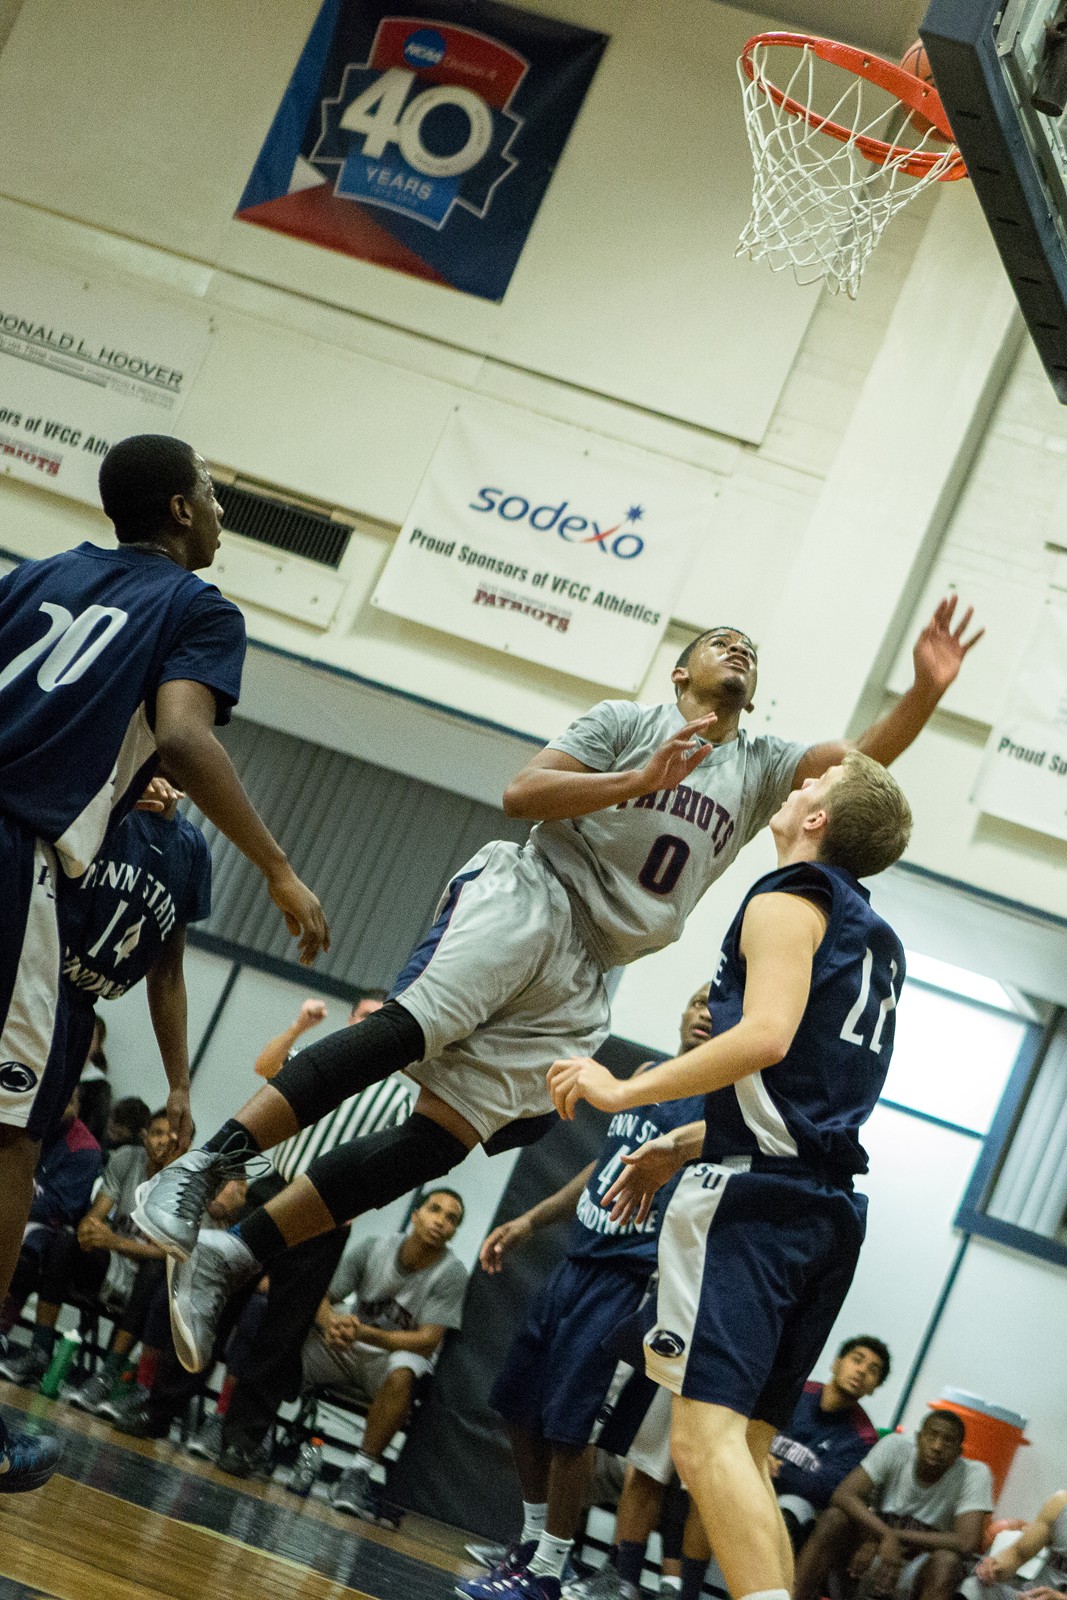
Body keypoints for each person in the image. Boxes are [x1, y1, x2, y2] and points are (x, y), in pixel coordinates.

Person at [132, 605, 979, 1379]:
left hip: (595, 961)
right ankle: (204, 1170)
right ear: (678, 674)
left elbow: (860, 768)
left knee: (441, 1141)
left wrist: (926, 694)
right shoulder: (622, 722)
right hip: (534, 892)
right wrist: (632, 781)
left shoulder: (758, 767)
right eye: (721, 641)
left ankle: (235, 1253)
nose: (740, 649)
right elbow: (521, 793)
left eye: (750, 651)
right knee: (408, 1030)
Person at [0, 431, 327, 1488]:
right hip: (16, 855)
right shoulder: (194, 605)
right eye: (215, 493)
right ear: (182, 512)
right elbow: (185, 735)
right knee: (11, 1142)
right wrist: (279, 867)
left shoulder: (42, 571)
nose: (223, 510)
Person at [547, 752, 913, 1600]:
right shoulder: (872, 935)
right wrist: (677, 1147)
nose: (797, 786)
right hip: (822, 1208)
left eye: (812, 786)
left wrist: (623, 1087)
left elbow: (768, 1039)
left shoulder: (786, 899)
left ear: (817, 819)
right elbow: (811, 1085)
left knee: (700, 1442)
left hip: (755, 1204)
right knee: (743, 1450)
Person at [459, 989, 710, 1600]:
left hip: (628, 1280)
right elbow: (600, 1168)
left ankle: (547, 1574)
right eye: (699, 1001)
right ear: (680, 1012)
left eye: (721, 1007)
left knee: (572, 1430)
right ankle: (536, 1545)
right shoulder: (647, 1077)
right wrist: (528, 1221)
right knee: (518, 1404)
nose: (706, 1012)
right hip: (575, 1264)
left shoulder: (723, 1104)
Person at [60, 777, 213, 1149]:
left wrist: (179, 1084)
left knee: (41, 1133)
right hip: (32, 982)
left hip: (81, 1011)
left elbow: (168, 976)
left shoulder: (191, 850)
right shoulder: (99, 799)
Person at [308, 1187, 467, 1525]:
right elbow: (322, 1296)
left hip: (388, 1359)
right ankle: (252, 1433)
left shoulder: (451, 1273)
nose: (440, 1221)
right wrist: (331, 1326)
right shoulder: (374, 1247)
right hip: (345, 1347)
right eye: (434, 1210)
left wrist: (363, 1332)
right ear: (415, 1215)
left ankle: (357, 1473)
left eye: (451, 1219)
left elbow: (427, 1340)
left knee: (406, 1370)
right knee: (296, 1330)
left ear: (454, 1232)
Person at [793, 1411, 993, 1600]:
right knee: (833, 1518)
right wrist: (883, 1535)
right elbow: (843, 1494)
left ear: (959, 1452)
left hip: (918, 1569)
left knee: (948, 1562)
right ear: (918, 1438)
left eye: (947, 1441)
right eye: (932, 1436)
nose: (937, 1446)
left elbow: (968, 1542)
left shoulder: (973, 1473)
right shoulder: (895, 1447)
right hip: (868, 1550)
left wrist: (894, 1536)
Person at [62, 1108, 177, 1412]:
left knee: (154, 1273)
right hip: (113, 1262)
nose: (163, 1142)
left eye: (172, 1137)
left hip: (150, 1286)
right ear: (145, 1137)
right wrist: (89, 1230)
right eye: (157, 1133)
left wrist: (114, 1241)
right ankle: (39, 1348)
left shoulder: (188, 1186)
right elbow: (96, 1217)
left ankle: (107, 1375)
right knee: (64, 1241)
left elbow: (169, 1253)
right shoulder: (128, 1158)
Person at [0, 1087, 102, 1380]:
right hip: (13, 1208)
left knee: (24, 1253)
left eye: (69, 1101)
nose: (61, 1107)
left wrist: (14, 1199)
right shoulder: (21, 1122)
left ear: (77, 1106)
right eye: (57, 1099)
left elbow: (62, 1205)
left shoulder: (86, 1149)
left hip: (46, 1225)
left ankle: (3, 1331)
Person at [962, 1487, 1067, 1600]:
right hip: (1029, 1596)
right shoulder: (1059, 1504)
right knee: (975, 1587)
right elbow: (1018, 1554)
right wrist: (994, 1567)